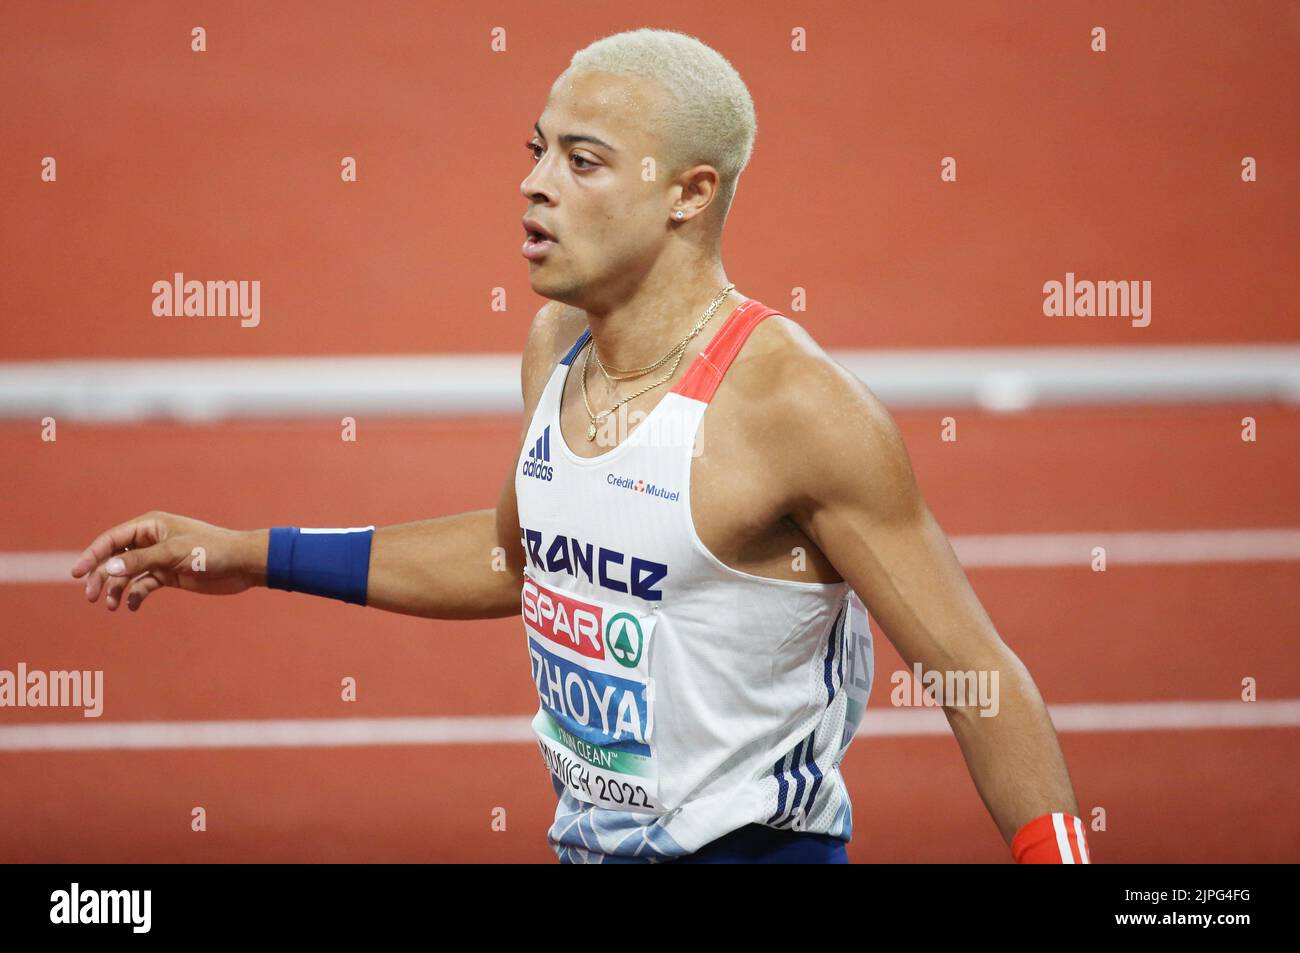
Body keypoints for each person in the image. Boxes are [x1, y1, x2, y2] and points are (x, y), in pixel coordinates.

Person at [70, 28, 1089, 865]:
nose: (535, 186)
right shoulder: (560, 346)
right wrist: (249, 555)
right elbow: (524, 553)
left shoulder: (796, 409)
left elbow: (972, 672)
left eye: (582, 161)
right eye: (537, 150)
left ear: (687, 193)